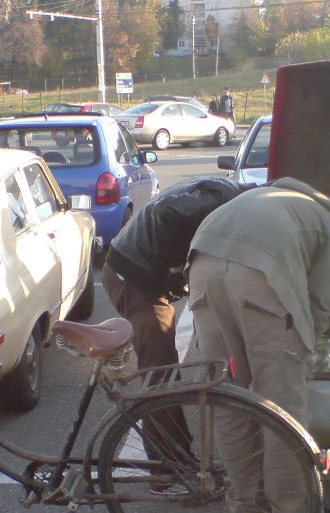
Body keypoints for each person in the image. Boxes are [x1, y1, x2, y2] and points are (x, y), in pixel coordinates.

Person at [186, 177, 330, 513]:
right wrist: (301, 353)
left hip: (202, 266)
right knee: (282, 406)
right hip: (258, 278)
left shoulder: (283, 199)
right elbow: (321, 303)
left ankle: (245, 512)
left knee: (229, 398)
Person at [103, 176, 248, 495]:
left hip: (138, 271)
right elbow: (165, 215)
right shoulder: (219, 204)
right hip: (132, 277)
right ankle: (168, 468)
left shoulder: (226, 197)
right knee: (161, 374)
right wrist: (174, 268)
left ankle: (175, 459)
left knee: (163, 372)